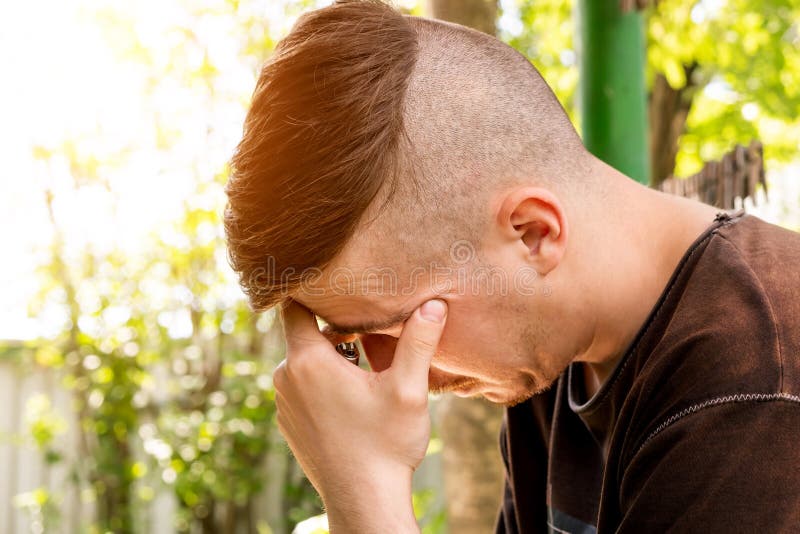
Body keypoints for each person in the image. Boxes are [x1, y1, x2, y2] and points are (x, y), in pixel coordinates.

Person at [223, 1, 800, 532]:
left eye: (397, 326)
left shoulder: (757, 384)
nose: (389, 378)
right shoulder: (549, 353)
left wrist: (366, 493)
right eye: (351, 343)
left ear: (532, 234)